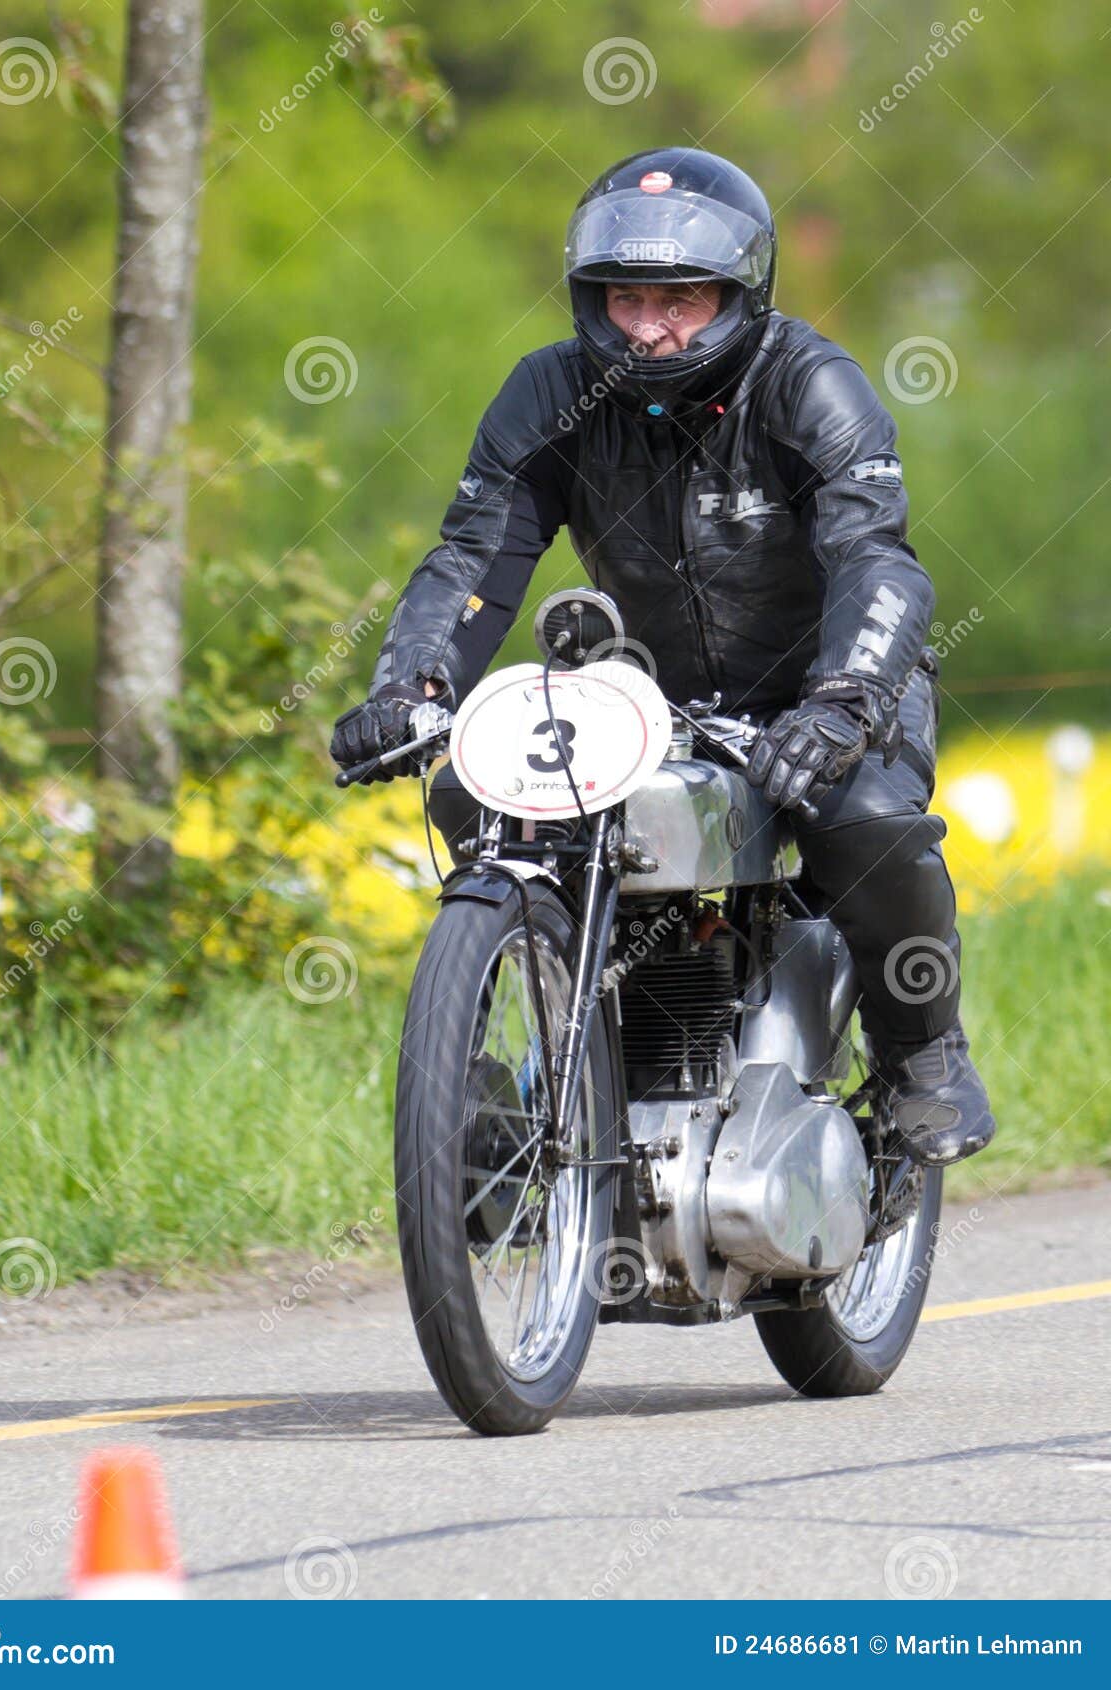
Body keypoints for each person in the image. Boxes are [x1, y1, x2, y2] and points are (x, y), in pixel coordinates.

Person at [330, 146, 995, 1167]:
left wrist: (840, 701)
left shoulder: (806, 382)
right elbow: (474, 558)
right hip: (653, 699)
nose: (649, 324)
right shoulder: (546, 392)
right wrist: (411, 687)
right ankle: (561, 1048)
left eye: (680, 297)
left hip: (832, 686)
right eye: (625, 297)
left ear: (739, 292)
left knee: (864, 822)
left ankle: (920, 1054)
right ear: (588, 299)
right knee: (483, 797)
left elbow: (878, 565)